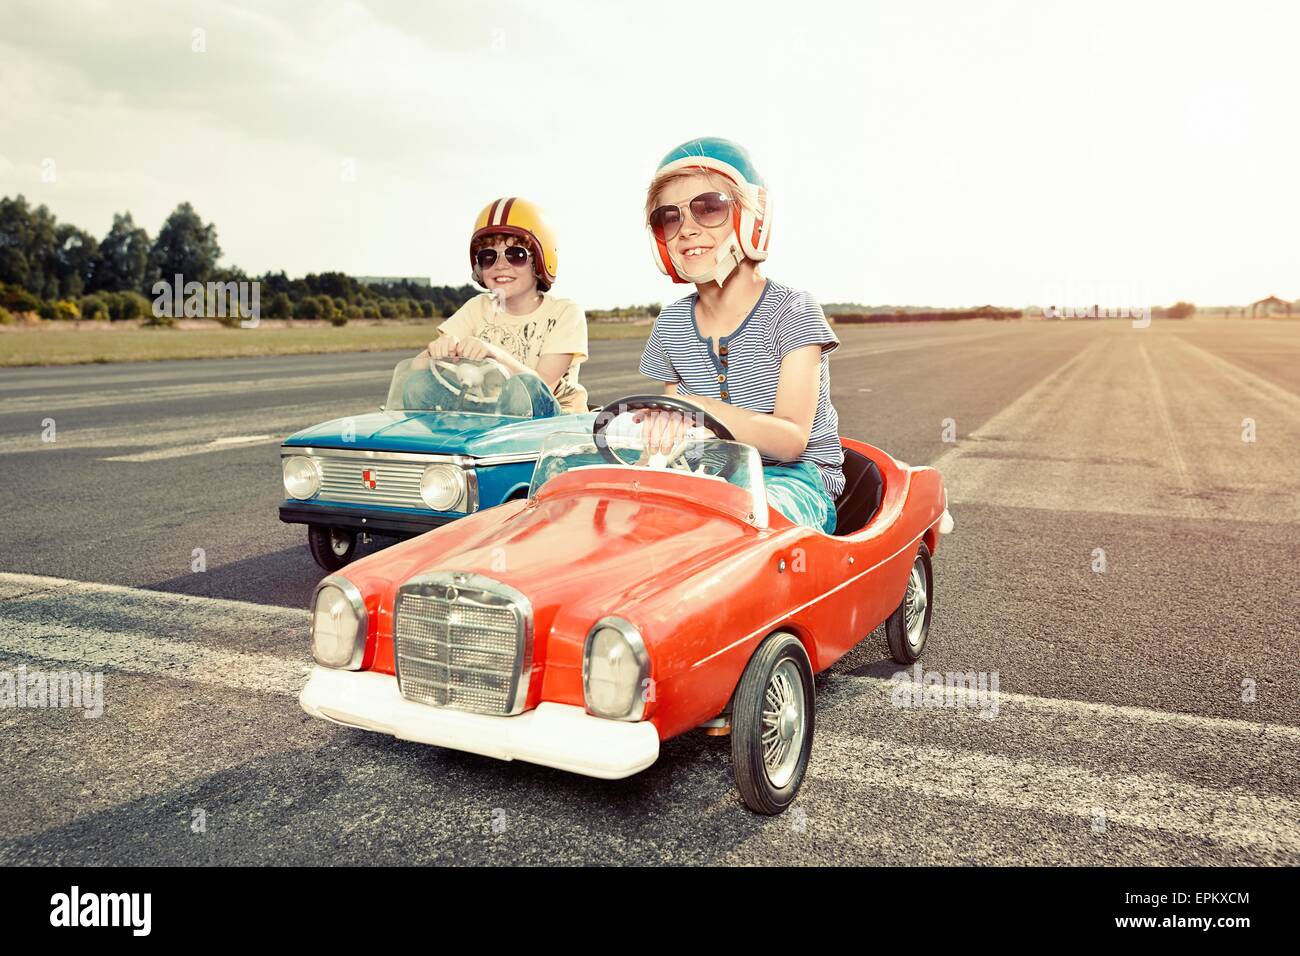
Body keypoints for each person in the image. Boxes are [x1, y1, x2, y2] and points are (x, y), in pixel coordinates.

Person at [635, 138, 843, 533]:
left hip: (795, 481)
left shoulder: (793, 309)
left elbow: (791, 439)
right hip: (709, 474)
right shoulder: (671, 323)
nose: (687, 230)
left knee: (739, 524)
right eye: (670, 217)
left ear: (752, 218)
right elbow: (673, 421)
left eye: (709, 207)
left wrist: (692, 408)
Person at [415, 197, 589, 414]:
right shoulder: (477, 307)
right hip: (490, 421)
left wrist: (494, 354)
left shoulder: (564, 313)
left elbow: (541, 390)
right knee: (418, 389)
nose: (500, 265)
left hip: (552, 428)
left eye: (515, 255)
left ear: (541, 261)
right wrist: (436, 352)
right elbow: (414, 373)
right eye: (488, 256)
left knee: (517, 399)